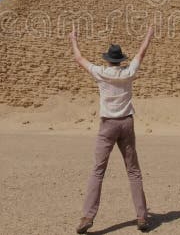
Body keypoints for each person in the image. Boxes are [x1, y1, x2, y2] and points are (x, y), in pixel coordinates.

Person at [69, 25, 155, 233]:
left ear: (108, 59)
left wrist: (73, 39)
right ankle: (142, 217)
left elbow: (79, 59)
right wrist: (148, 35)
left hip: (107, 125)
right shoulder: (129, 72)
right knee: (133, 171)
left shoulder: (101, 72)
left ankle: (88, 216)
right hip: (126, 124)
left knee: (98, 171)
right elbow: (141, 53)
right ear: (121, 60)